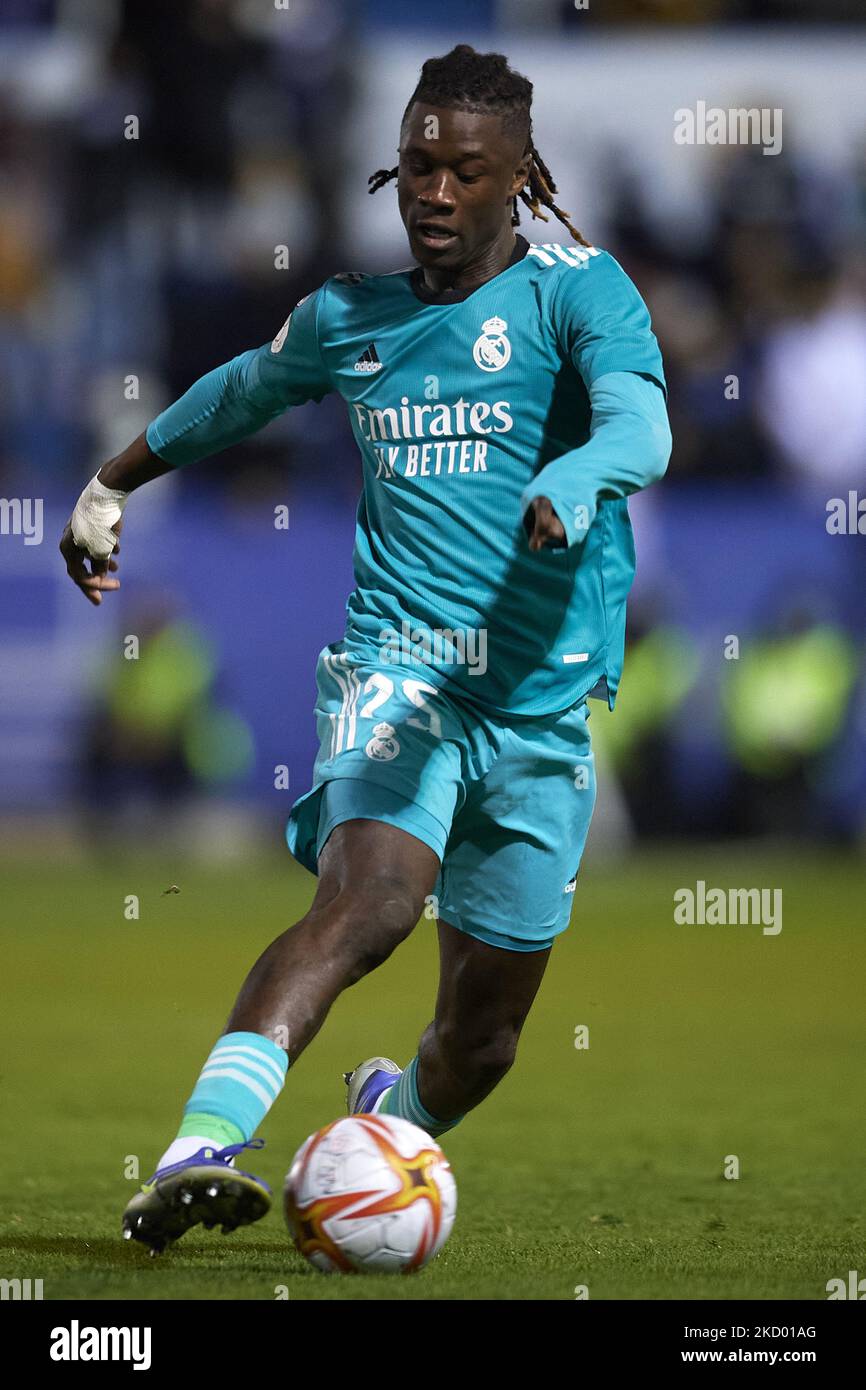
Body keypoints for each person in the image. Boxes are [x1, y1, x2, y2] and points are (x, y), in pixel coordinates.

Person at [60, 44, 671, 1255]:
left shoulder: (577, 294)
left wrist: (581, 471)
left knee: (484, 1036)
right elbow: (244, 389)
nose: (432, 193)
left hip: (538, 709)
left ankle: (387, 1118)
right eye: (414, 169)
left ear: (519, 179)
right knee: (371, 900)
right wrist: (111, 480)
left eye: (462, 171)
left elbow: (639, 419)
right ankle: (199, 1147)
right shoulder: (351, 317)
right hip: (401, 669)